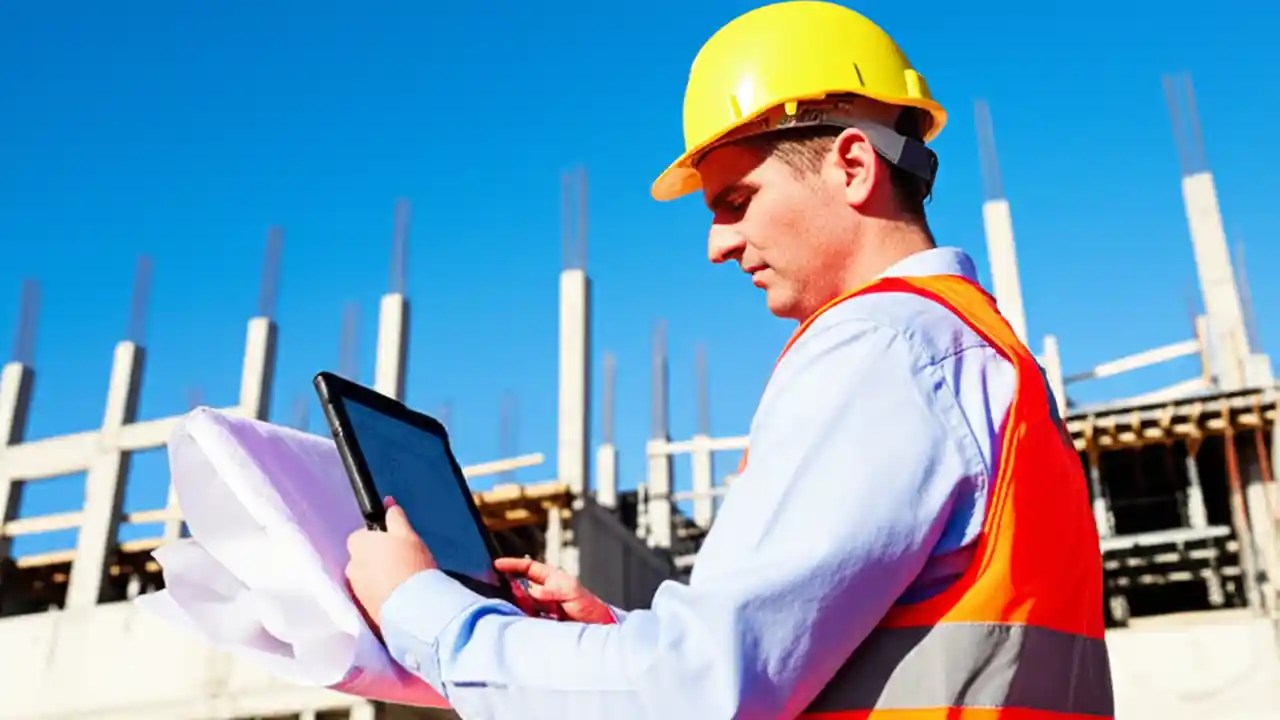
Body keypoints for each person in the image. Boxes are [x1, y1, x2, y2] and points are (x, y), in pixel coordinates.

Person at [345, 1, 1115, 717]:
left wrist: (428, 614)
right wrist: (613, 634)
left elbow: (699, 692)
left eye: (737, 201)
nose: (717, 245)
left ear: (852, 166)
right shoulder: (975, 350)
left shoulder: (882, 349)